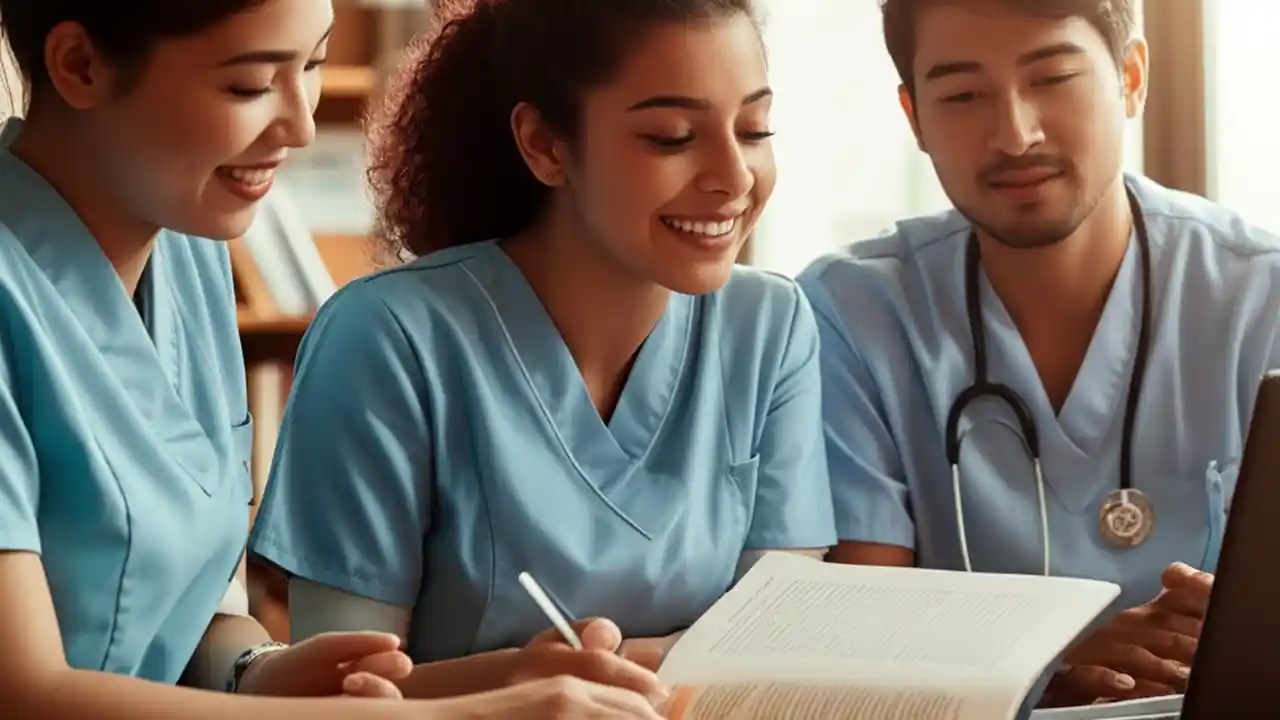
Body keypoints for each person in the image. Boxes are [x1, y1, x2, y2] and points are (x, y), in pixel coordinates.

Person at [0, 1, 662, 717]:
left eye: (311, 65)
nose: (302, 126)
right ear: (80, 66)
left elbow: (186, 617)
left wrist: (259, 671)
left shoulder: (190, 251)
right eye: (250, 86)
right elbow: (27, 692)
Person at [247, 0, 836, 700]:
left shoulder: (771, 327)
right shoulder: (388, 339)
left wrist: (618, 672)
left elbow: (781, 646)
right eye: (673, 136)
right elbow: (326, 695)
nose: (734, 176)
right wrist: (515, 686)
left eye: (754, 129)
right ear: (546, 146)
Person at [797, 0, 1280, 709]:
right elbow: (864, 642)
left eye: (1052, 78)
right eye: (962, 95)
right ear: (914, 118)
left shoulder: (1259, 295)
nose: (1014, 135)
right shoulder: (851, 314)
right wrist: (1052, 663)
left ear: (1132, 77)